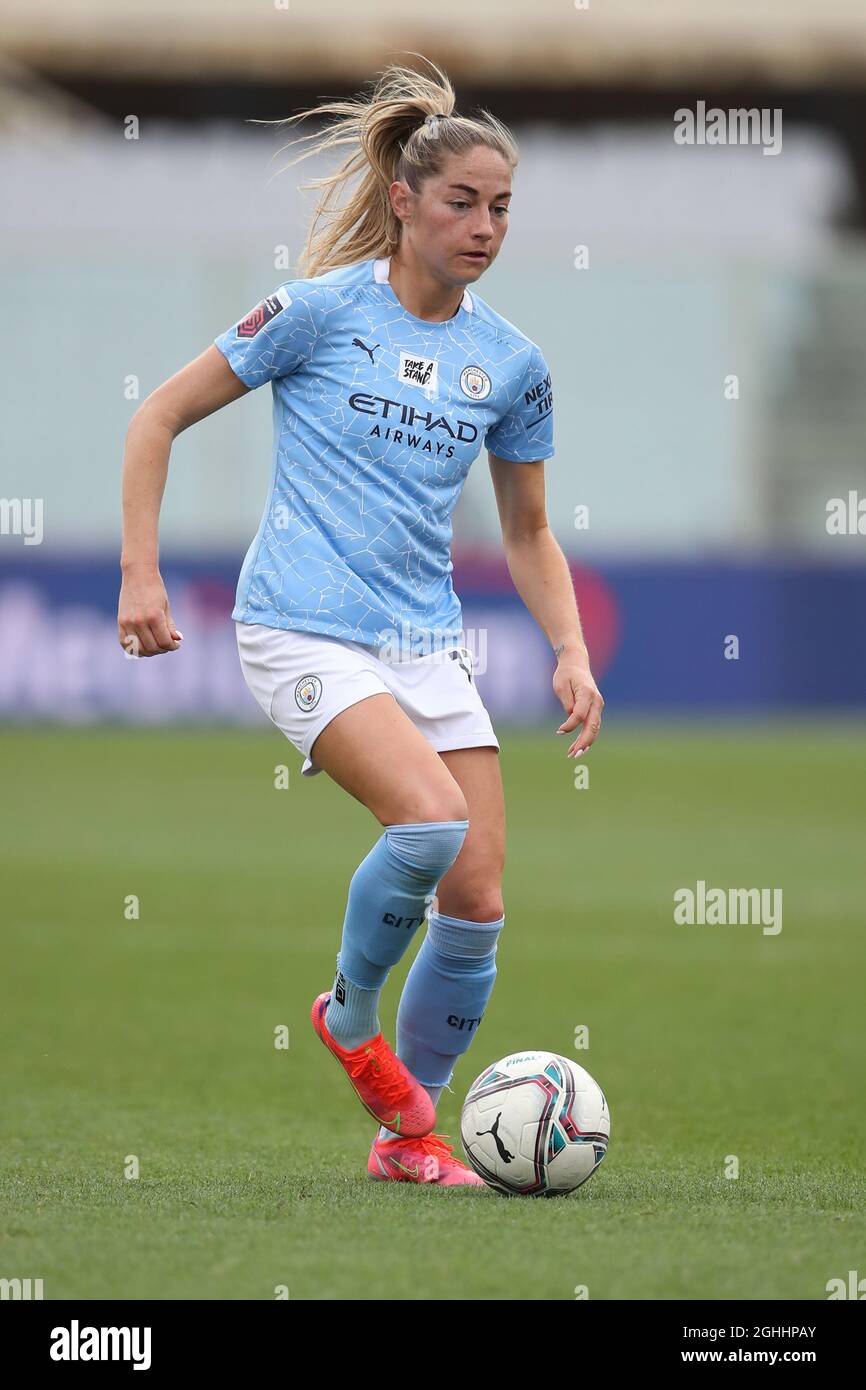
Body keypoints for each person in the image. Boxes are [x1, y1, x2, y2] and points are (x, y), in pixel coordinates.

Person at [117, 55, 604, 1187]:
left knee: (475, 902)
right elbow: (157, 417)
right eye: (460, 202)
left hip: (422, 642)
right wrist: (142, 575)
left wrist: (569, 648)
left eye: (500, 209)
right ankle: (346, 1016)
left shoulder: (510, 362)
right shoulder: (316, 310)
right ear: (402, 200)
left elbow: (527, 532)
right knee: (427, 823)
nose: (484, 226)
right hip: (296, 623)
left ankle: (406, 1140)